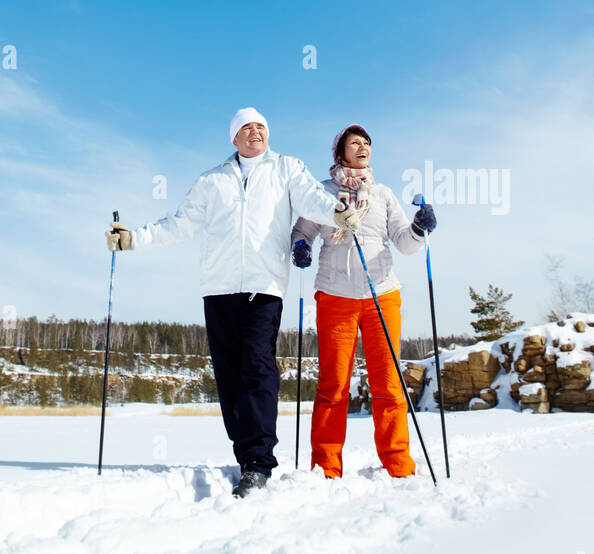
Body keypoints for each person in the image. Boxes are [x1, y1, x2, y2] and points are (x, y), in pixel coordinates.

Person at [106, 108, 359, 496]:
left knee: (258, 368)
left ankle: (259, 462)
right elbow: (179, 223)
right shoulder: (213, 180)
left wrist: (337, 212)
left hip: (264, 285)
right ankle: (245, 455)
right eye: (246, 127)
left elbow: (312, 198)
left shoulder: (286, 168)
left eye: (260, 126)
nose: (255, 131)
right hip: (219, 288)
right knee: (229, 376)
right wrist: (133, 238)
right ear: (234, 138)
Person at [291, 124, 436, 480]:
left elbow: (404, 241)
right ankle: (326, 466)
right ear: (339, 152)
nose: (364, 146)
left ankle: (398, 463)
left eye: (367, 142)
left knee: (388, 384)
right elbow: (303, 230)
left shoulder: (382, 194)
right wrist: (301, 247)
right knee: (333, 386)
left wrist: (420, 228)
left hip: (381, 295)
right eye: (355, 142)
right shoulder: (323, 194)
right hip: (335, 297)